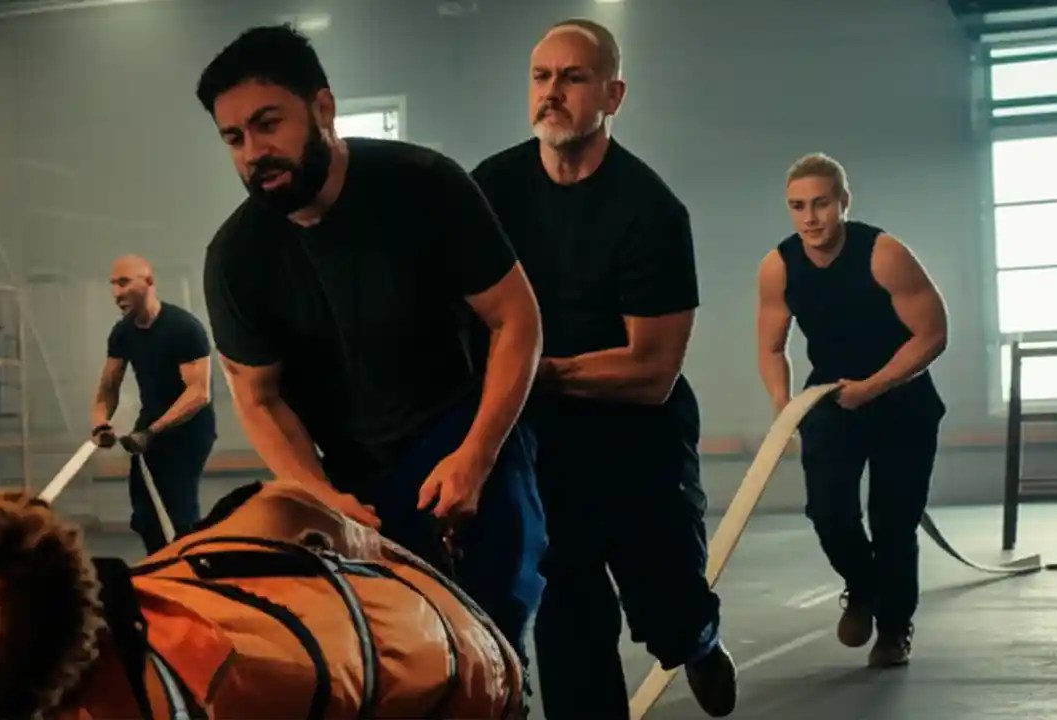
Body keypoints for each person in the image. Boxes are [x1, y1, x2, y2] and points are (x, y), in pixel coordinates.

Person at [193, 25, 548, 682]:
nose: (253, 153)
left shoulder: (427, 186)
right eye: (234, 138)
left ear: (323, 108)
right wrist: (319, 496)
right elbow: (258, 396)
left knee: (491, 638)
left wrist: (476, 454)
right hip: (349, 469)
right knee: (385, 662)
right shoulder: (235, 258)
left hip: (458, 429)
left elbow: (516, 320)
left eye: (268, 124)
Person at [471, 18, 736, 719]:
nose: (552, 93)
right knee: (567, 614)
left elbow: (651, 371)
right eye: (541, 77)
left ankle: (699, 643)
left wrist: (528, 371)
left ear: (613, 95)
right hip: (538, 442)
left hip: (636, 436)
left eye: (573, 77)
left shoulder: (649, 210)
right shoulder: (488, 192)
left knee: (669, 599)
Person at [756, 152, 948, 668]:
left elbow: (932, 333)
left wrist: (875, 386)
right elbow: (772, 346)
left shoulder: (883, 253)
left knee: (893, 522)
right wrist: (783, 405)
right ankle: (863, 588)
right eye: (798, 206)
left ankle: (894, 629)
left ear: (843, 202)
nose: (810, 218)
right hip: (831, 400)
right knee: (829, 512)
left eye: (821, 204)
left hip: (902, 399)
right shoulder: (779, 266)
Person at [91, 254, 218, 554]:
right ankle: (160, 572)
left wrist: (152, 432)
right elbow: (108, 388)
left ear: (149, 282)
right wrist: (100, 423)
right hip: (150, 425)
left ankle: (188, 577)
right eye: (112, 285)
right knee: (145, 517)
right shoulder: (122, 333)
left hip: (190, 429)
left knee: (178, 514)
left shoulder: (184, 328)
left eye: (124, 282)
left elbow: (199, 393)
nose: (116, 292)